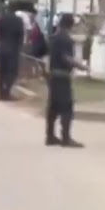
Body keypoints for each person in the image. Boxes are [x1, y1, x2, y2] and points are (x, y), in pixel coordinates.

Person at [42, 13, 86, 148]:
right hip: (62, 76)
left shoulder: (53, 37)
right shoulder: (66, 40)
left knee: (53, 107)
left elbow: (47, 56)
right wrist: (81, 66)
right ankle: (66, 138)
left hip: (52, 75)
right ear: (71, 25)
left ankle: (50, 136)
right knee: (66, 107)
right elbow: (66, 58)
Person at [0, 2, 27, 101]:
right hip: (13, 49)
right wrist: (20, 47)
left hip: (2, 47)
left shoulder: (2, 18)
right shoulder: (18, 20)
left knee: (1, 72)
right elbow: (21, 36)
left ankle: (1, 94)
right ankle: (7, 92)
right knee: (12, 72)